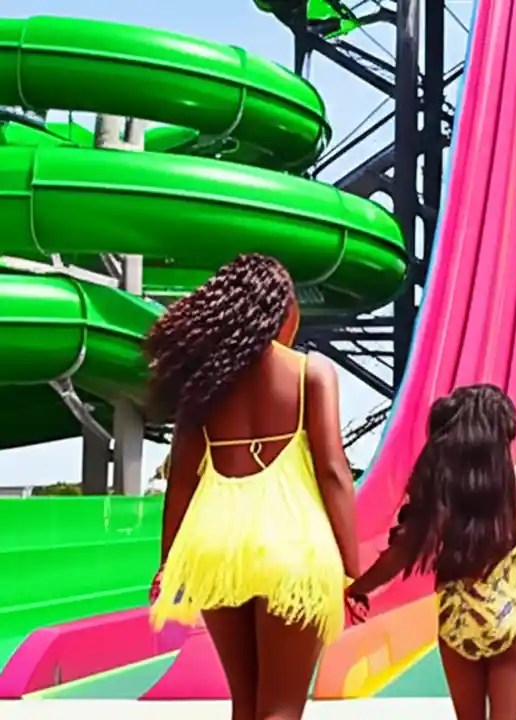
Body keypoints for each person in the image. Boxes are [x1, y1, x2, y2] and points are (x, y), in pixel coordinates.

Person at [146, 253, 361, 720]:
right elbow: (333, 472)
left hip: (216, 547)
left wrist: (166, 563)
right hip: (293, 550)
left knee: (244, 705)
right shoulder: (311, 373)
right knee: (281, 707)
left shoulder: (204, 382)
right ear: (280, 312)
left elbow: (180, 480)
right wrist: (353, 569)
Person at [346, 384, 516, 720]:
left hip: (457, 625)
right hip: (508, 621)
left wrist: (358, 588)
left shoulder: (441, 490)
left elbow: (399, 555)